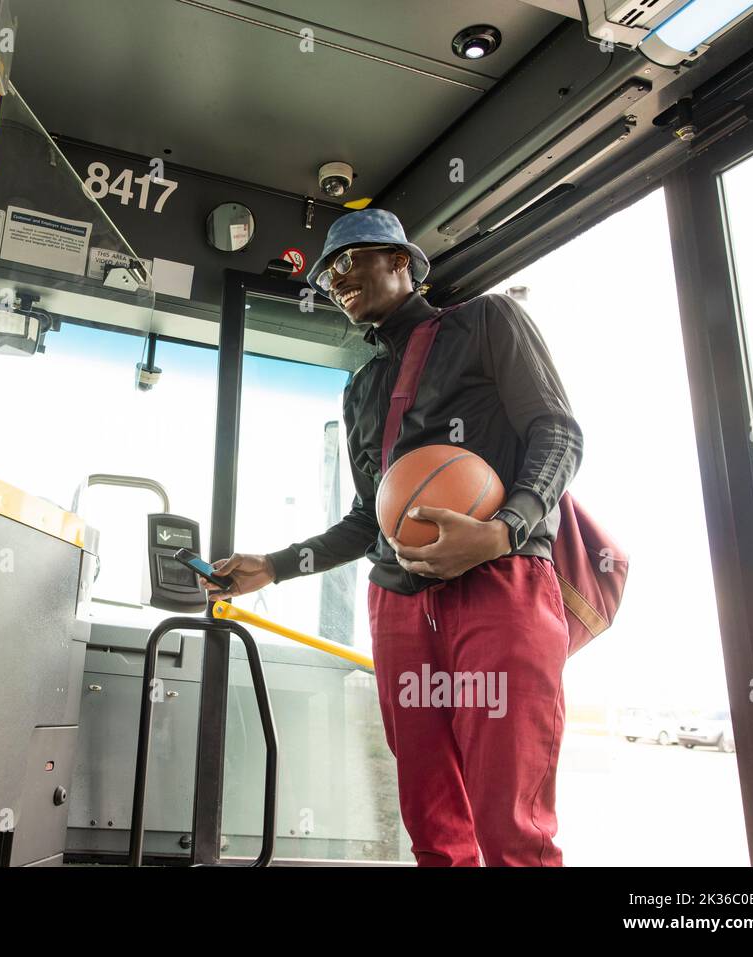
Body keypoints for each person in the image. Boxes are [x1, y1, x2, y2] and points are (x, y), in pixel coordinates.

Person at [205, 208, 582, 866]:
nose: (337, 279)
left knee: (511, 824)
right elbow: (367, 517)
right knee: (433, 826)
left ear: (401, 261)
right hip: (398, 608)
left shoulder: (490, 323)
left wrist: (502, 532)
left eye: (350, 261)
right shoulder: (362, 389)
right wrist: (273, 564)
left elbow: (558, 433)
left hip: (499, 584)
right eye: (327, 274)